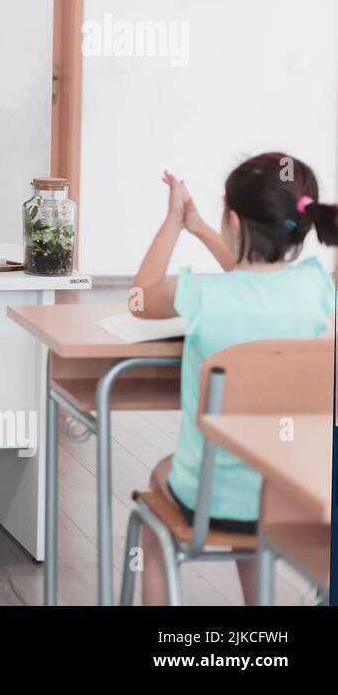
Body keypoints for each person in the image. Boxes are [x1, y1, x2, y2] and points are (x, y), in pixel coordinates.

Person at [130, 153, 336, 604]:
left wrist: (174, 222)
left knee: (155, 489)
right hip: (289, 496)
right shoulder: (318, 288)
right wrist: (202, 226)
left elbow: (138, 298)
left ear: (235, 222)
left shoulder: (202, 295)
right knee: (255, 501)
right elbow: (253, 281)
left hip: (213, 498)